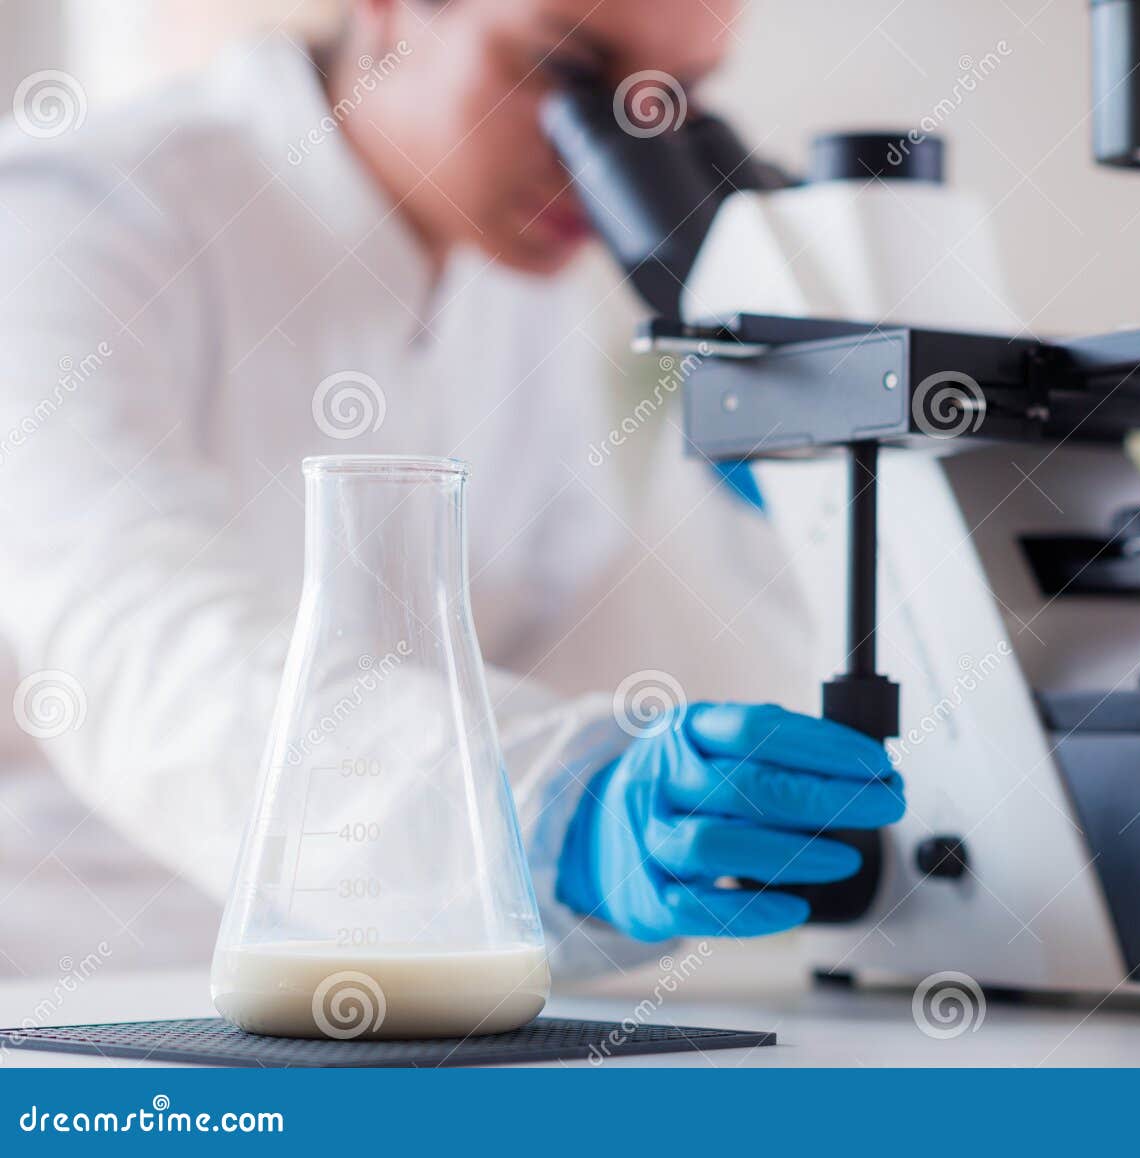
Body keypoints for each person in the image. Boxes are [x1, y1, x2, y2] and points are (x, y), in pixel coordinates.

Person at [0, 0, 904, 977]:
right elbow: (136, 641)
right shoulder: (78, 212)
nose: (612, 149)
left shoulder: (516, 284)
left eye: (673, 100)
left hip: (408, 968)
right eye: (570, 70)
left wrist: (767, 505)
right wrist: (546, 808)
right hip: (79, 973)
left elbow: (560, 657)